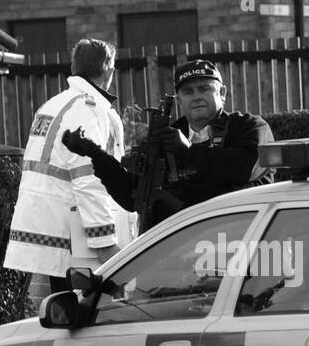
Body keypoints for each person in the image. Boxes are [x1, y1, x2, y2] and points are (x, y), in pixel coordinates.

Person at [4, 38, 133, 304]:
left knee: (57, 314)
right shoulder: (91, 110)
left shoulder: (52, 105)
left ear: (74, 67)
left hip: (46, 232)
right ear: (108, 68)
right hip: (77, 235)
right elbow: (88, 178)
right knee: (87, 318)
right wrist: (105, 242)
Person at [78, 58, 275, 229]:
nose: (196, 96)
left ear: (222, 93)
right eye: (188, 91)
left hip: (244, 243)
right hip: (179, 251)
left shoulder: (249, 127)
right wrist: (98, 156)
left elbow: (243, 167)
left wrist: (189, 151)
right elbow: (134, 197)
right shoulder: (164, 138)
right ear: (180, 101)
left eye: (204, 88)